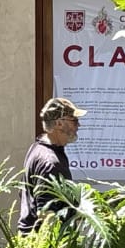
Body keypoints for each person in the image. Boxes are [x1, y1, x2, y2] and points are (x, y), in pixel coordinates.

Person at [18, 97, 86, 234]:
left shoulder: (38, 148)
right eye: (74, 120)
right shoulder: (50, 162)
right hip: (41, 241)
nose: (78, 125)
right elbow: (46, 215)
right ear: (59, 123)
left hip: (30, 237)